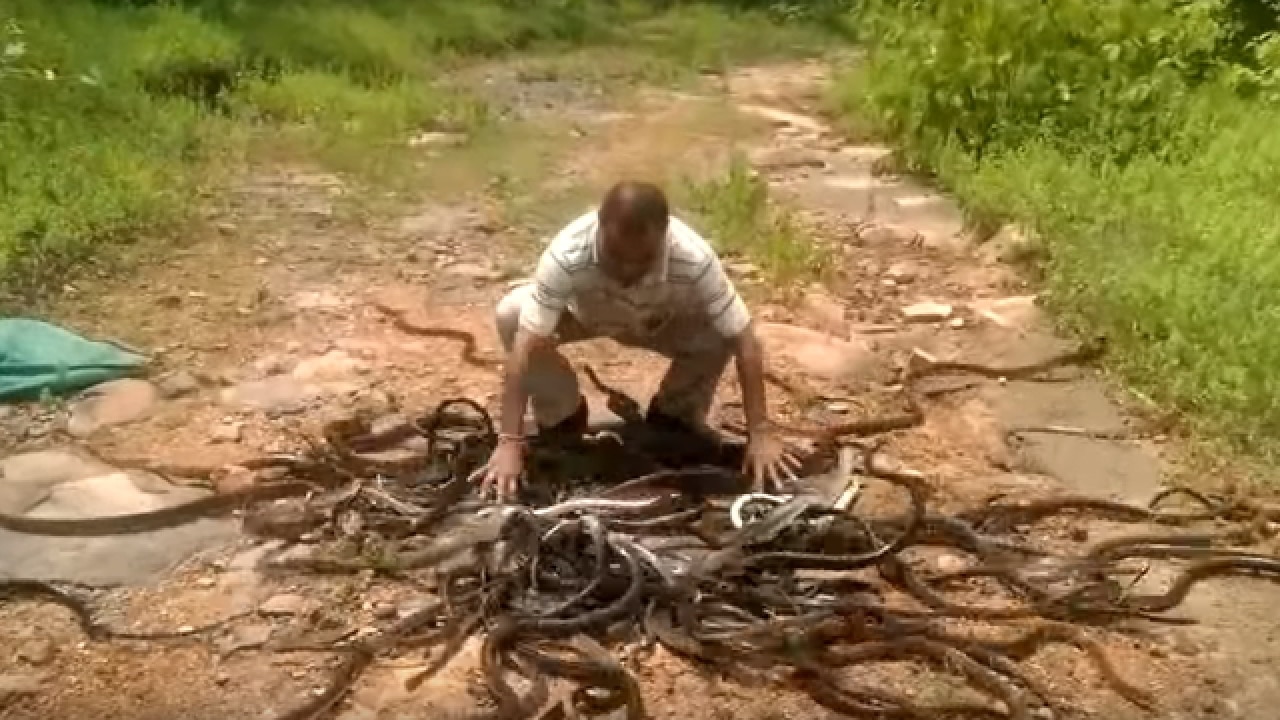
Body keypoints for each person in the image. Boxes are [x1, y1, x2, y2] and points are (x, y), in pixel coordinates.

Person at [474, 180, 799, 501]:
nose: (628, 269)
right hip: (585, 317)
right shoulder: (567, 254)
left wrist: (760, 434)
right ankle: (561, 417)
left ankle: (674, 417)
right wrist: (509, 442)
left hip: (657, 323)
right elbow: (523, 349)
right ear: (598, 227)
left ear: (665, 235)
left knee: (723, 327)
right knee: (512, 315)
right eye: (615, 256)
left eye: (644, 259)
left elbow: (745, 341)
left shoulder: (693, 257)